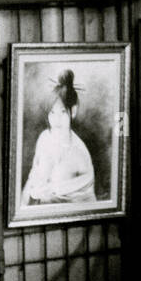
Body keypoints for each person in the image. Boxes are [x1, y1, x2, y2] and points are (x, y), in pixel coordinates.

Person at [20, 71, 96, 206]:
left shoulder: (80, 153)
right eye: (52, 112)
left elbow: (87, 201)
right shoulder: (44, 138)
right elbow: (32, 179)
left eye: (62, 112)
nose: (56, 120)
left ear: (73, 111)